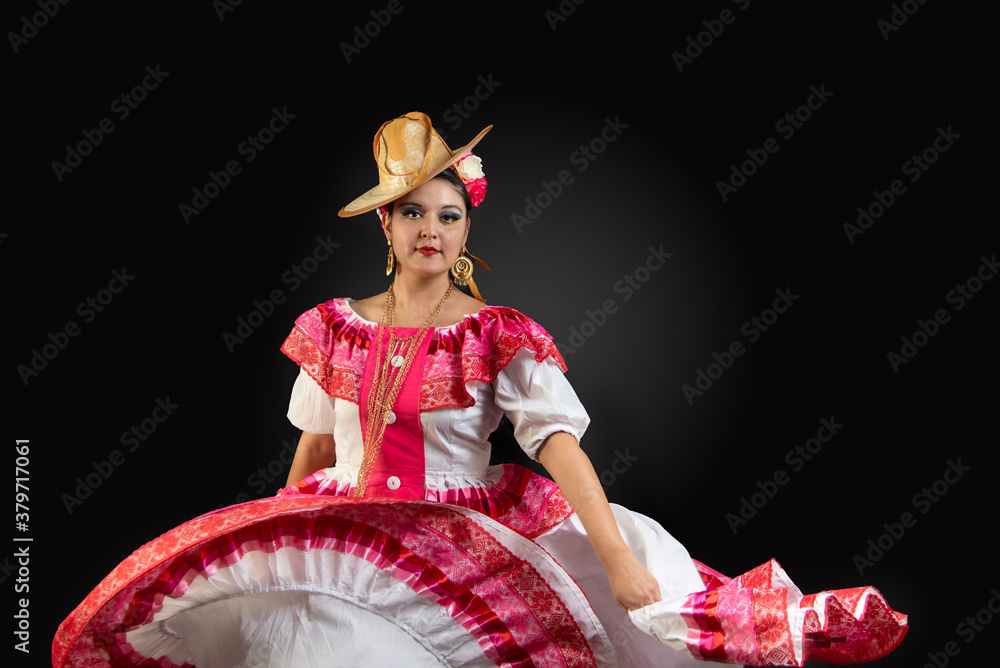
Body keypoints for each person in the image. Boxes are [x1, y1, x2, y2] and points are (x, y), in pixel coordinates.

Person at [53, 112, 907, 667]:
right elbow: (316, 445)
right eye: (415, 212)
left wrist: (612, 555)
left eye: (449, 214)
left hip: (463, 523)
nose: (432, 229)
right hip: (345, 521)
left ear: (468, 226)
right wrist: (282, 531)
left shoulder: (496, 332)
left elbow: (556, 444)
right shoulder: (333, 327)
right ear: (386, 224)